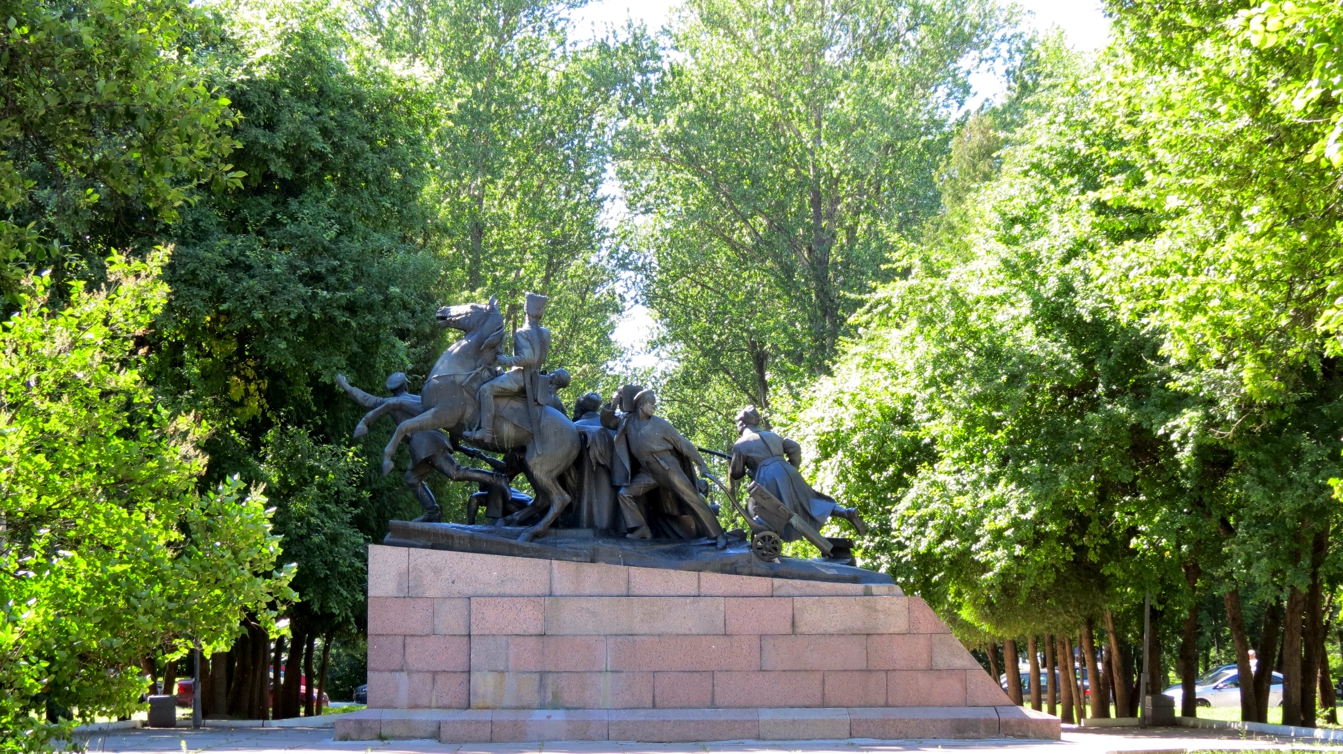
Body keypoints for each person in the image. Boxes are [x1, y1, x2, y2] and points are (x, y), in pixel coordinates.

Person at [336, 372, 501, 523]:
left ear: (392, 390)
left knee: (455, 472)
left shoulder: (391, 402)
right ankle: (432, 512)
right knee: (412, 478)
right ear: (406, 386)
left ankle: (495, 478)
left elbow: (367, 399)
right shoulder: (420, 399)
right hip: (431, 441)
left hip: (425, 443)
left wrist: (347, 386)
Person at [728, 405, 866, 539]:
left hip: (768, 478)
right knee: (811, 502)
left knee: (758, 510)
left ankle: (767, 544)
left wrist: (749, 467)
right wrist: (792, 467)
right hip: (789, 471)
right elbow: (794, 447)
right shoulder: (772, 435)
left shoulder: (740, 444)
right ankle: (846, 512)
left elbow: (736, 474)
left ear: (742, 423)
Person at [617, 389, 726, 549]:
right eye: (651, 403)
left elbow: (683, 444)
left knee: (692, 498)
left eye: (655, 404)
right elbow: (608, 422)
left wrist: (701, 463)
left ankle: (718, 535)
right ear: (641, 405)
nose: (654, 406)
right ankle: (641, 529)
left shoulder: (660, 424)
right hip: (647, 471)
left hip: (667, 467)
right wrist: (613, 402)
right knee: (624, 494)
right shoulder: (629, 422)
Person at [464, 292, 550, 446]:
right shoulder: (546, 333)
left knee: (486, 389)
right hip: (536, 377)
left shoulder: (522, 332)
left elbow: (528, 358)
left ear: (526, 309)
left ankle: (486, 432)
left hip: (521, 378)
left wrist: (505, 360)